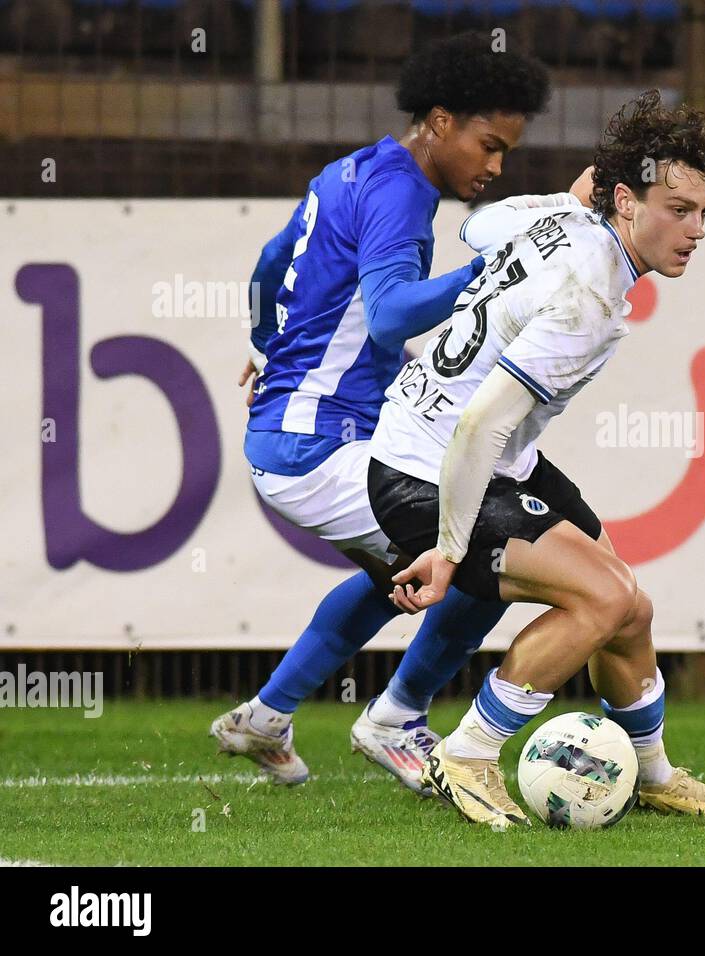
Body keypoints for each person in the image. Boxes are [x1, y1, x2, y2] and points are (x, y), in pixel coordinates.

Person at [367, 90, 705, 827]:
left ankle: (652, 773)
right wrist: (447, 552)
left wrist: (564, 199)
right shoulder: (590, 295)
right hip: (432, 470)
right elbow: (479, 423)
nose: (696, 229)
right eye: (678, 208)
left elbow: (480, 224)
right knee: (602, 598)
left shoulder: (568, 218)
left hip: (483, 455)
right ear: (624, 200)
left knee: (630, 607)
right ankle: (470, 752)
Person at [210, 33, 552, 793]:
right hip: (317, 444)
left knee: (396, 572)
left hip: (304, 434)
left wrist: (266, 344)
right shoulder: (401, 191)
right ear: (438, 119)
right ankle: (399, 718)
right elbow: (393, 315)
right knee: (478, 559)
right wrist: (495, 269)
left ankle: (268, 715)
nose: (495, 169)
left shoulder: (348, 170)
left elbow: (272, 264)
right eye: (488, 145)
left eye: (506, 152)